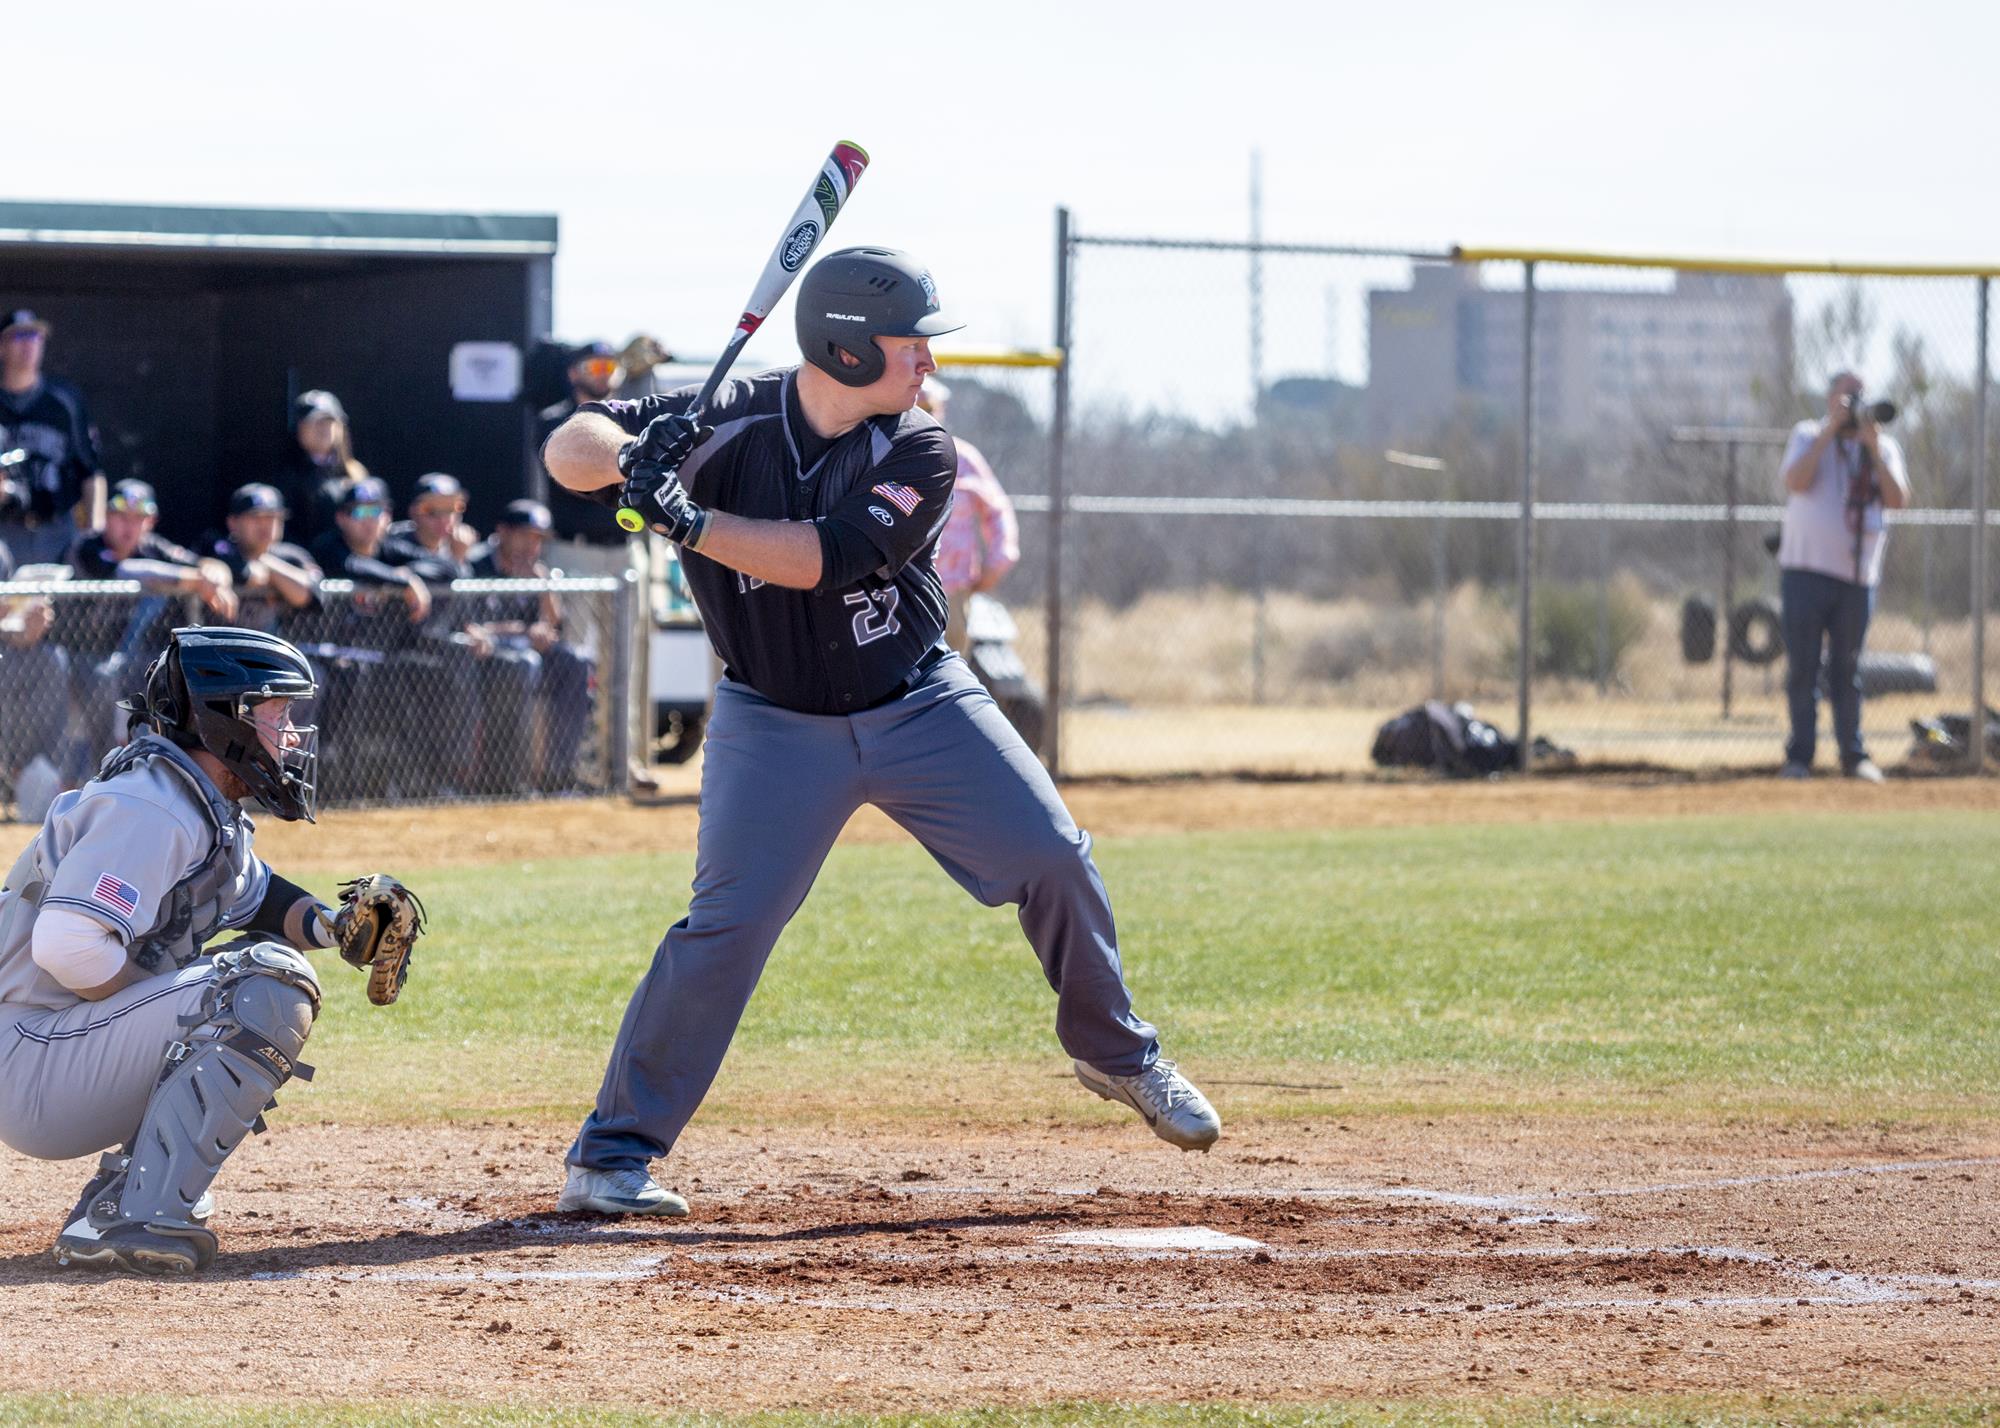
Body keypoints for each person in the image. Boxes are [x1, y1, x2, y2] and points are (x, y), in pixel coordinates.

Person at [543, 247, 1219, 1219]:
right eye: (911, 346)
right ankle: (609, 1158)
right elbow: (565, 447)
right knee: (723, 931)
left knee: (1052, 856)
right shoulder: (721, 417)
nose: (927, 366)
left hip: (917, 701)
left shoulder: (919, 449)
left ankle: (1118, 1055)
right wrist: (624, 454)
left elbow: (825, 559)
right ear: (847, 350)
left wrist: (684, 518)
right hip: (770, 720)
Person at [0, 627, 332, 1275]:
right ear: (225, 721)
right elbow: (68, 947)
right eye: (277, 714)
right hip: (29, 1056)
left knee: (242, 982)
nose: (291, 736)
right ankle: (131, 1215)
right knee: (262, 988)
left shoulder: (196, 806)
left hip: (51, 1045)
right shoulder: (152, 806)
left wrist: (338, 926)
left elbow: (257, 899)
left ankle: (121, 1195)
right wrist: (171, 1009)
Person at [1775, 371, 1911, 783]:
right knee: (1802, 667)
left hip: (1857, 578)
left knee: (1847, 670)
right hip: (1804, 571)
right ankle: (1800, 757)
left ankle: (1853, 756)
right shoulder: (1807, 433)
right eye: (1846, 396)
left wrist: (1871, 447)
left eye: (1859, 396)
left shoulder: (1882, 446)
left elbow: (1897, 500)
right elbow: (1795, 481)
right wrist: (1830, 431)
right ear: (1831, 398)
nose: (1854, 404)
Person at [59, 480, 240, 780]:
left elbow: (208, 565)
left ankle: (158, 775)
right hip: (77, 657)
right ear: (105, 516)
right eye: (121, 517)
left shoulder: (153, 547)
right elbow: (126, 570)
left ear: (151, 521)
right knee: (103, 681)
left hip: (128, 661)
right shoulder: (86, 546)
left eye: (138, 518)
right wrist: (194, 579)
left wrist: (215, 575)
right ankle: (108, 774)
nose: (129, 526)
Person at [468, 498, 595, 792]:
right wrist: (525, 632)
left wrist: (544, 587)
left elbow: (554, 625)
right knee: (524, 665)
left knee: (574, 661)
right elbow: (470, 626)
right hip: (486, 662)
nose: (531, 545)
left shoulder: (536, 571)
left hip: (526, 657)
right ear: (502, 531)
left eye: (538, 539)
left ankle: (558, 774)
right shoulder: (476, 564)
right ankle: (507, 779)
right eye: (524, 535)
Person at [918, 377, 1020, 653]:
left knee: (948, 667)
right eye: (915, 409)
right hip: (897, 590)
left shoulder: (962, 458)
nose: (923, 416)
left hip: (952, 588)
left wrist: (997, 562)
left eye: (929, 408)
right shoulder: (884, 452)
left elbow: (997, 509)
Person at [0, 308, 106, 565]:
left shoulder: (64, 401)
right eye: (19, 337)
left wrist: (94, 531)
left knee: (59, 604)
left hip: (57, 530)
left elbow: (90, 470)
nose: (28, 345)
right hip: (4, 532)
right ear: (1, 347)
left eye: (35, 337)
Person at [538, 342, 631, 553]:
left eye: (609, 368)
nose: (603, 374)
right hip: (577, 548)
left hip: (625, 547)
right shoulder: (554, 421)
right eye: (594, 367)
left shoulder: (630, 417)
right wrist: (626, 475)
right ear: (573, 373)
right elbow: (568, 479)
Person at [206, 483, 323, 636]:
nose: (265, 525)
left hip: (274, 649)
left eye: (272, 518)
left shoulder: (292, 555)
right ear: (233, 522)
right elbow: (241, 572)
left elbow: (313, 596)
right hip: (218, 644)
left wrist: (269, 569)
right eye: (255, 517)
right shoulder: (218, 547)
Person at [274, 390, 367, 548]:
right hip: (309, 559)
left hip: (354, 557)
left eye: (329, 421)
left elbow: (367, 517)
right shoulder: (286, 476)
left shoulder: (357, 473)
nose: (323, 428)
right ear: (300, 427)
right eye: (315, 422)